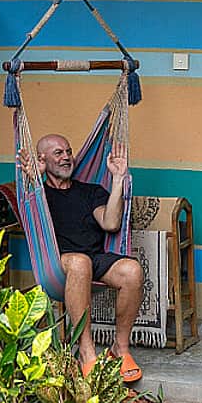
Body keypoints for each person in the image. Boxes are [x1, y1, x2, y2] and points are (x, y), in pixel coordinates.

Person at [20, 134, 144, 383]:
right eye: (58, 153)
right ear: (42, 159)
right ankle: (86, 352)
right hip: (58, 262)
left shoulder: (90, 191)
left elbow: (110, 223)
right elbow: (32, 210)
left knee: (132, 269)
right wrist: (33, 179)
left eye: (68, 151)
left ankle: (120, 348)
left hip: (94, 258)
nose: (66, 157)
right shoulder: (39, 196)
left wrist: (118, 179)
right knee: (80, 262)